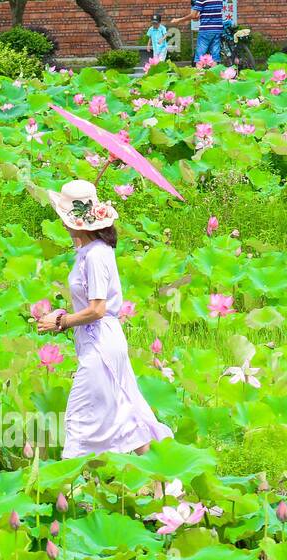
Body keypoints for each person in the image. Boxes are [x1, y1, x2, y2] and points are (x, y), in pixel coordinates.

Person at [34, 181, 172, 459]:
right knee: (126, 414)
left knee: (79, 417)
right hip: (101, 340)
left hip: (101, 345)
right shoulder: (90, 251)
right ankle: (162, 483)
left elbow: (98, 309)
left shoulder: (95, 256)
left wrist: (60, 320)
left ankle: (74, 489)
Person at [171, 0, 224, 65]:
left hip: (206, 30)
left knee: (200, 58)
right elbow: (211, 12)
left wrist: (178, 20)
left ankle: (199, 74)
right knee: (214, 58)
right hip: (218, 29)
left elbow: (193, 15)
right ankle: (213, 74)